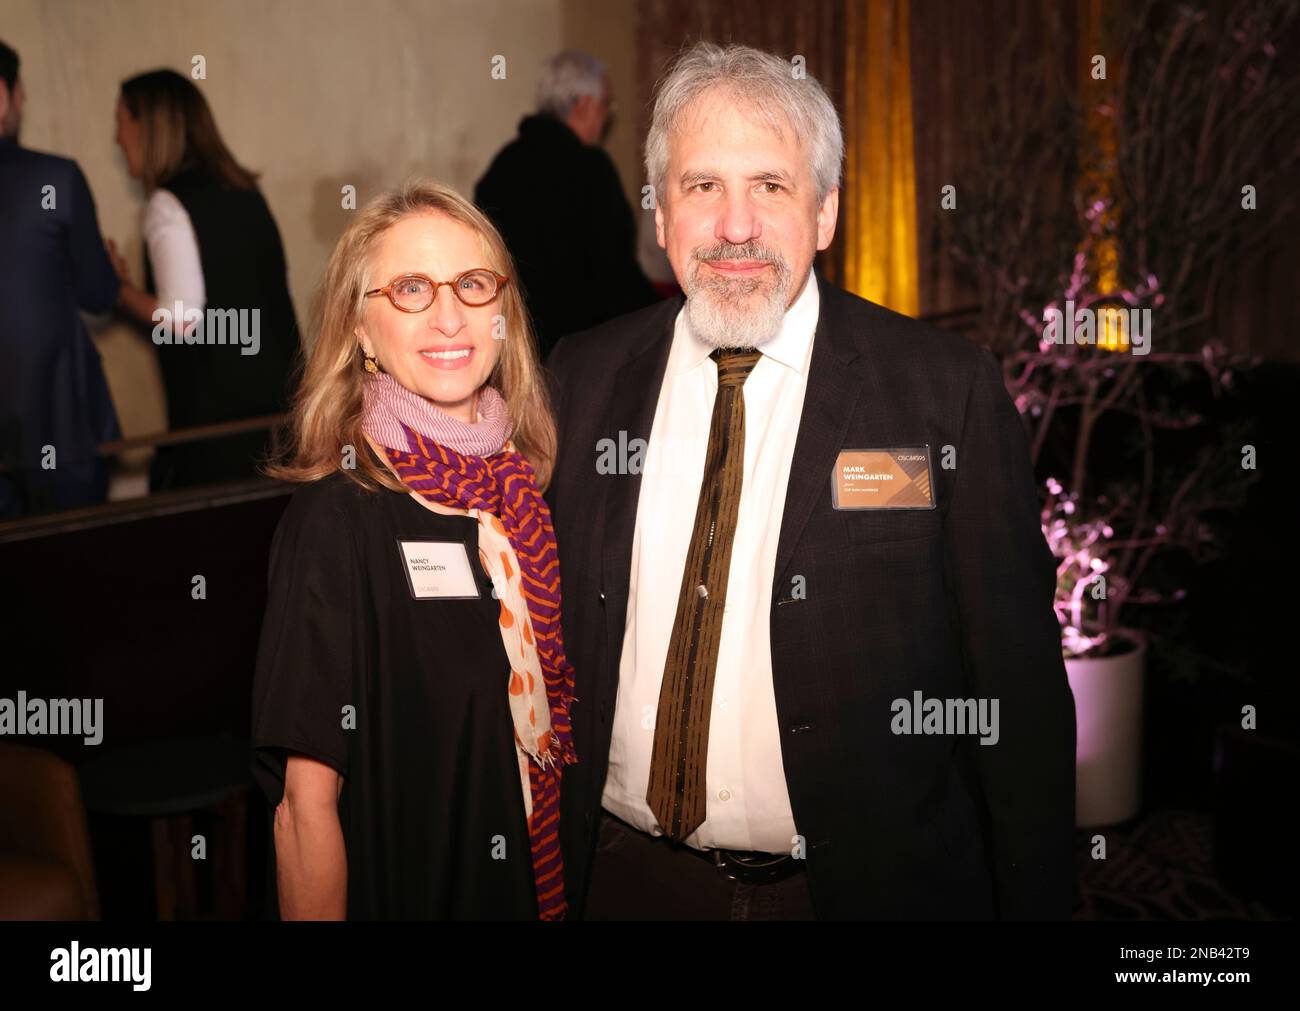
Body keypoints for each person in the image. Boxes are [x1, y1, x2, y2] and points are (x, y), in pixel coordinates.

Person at [545, 43, 1076, 920]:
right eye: (702, 186)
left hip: (858, 894)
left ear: (826, 212)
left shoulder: (943, 393)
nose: (736, 225)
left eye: (771, 187)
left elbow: (1013, 694)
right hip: (623, 884)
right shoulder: (581, 377)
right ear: (662, 211)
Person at [251, 180, 578, 920]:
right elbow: (304, 814)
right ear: (360, 330)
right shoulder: (339, 519)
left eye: (471, 283)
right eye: (409, 289)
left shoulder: (528, 499)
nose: (449, 315)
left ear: (503, 313)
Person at [108, 69, 298, 492]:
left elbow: (182, 320)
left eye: (121, 121)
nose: (118, 138)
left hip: (217, 431)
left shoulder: (167, 203)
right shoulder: (247, 192)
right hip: (283, 416)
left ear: (148, 125)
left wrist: (118, 289)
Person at [0, 38, 120, 517]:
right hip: (60, 428)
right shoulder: (55, 179)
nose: (24, 101)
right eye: (21, 90)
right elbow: (99, 294)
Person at [475, 50, 658, 361]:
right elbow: (616, 276)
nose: (605, 117)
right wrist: (662, 315)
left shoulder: (501, 167)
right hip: (581, 352)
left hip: (516, 349)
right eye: (605, 106)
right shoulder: (590, 169)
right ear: (584, 104)